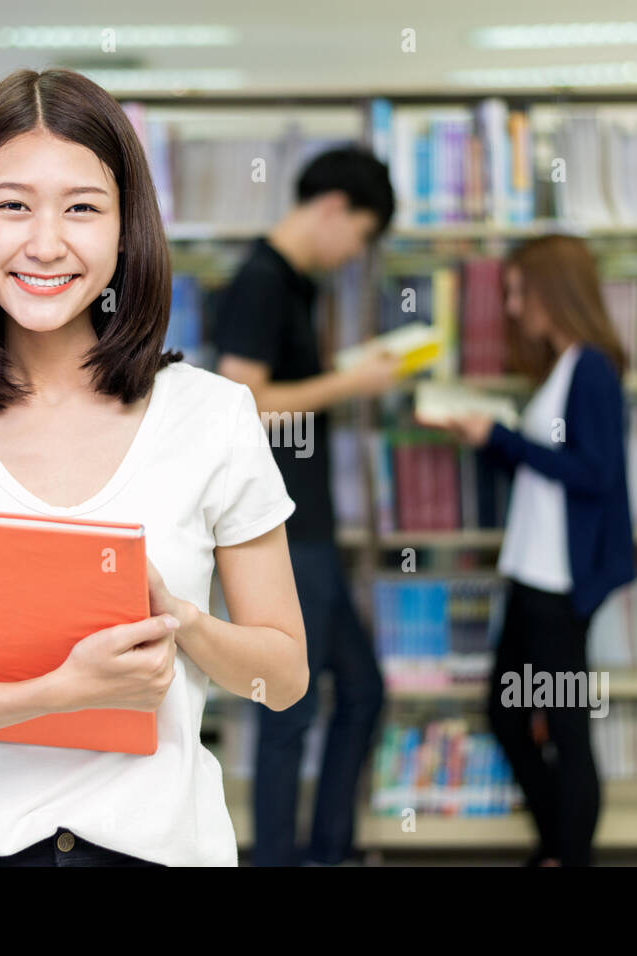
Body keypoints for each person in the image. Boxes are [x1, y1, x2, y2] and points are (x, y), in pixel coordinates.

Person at [0, 68, 307, 868]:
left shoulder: (214, 417)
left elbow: (282, 678)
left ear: (126, 229)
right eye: (13, 205)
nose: (46, 243)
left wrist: (183, 623)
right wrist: (58, 693)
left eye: (82, 208)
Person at [213, 145, 398, 866]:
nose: (354, 253)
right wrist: (352, 385)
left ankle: (327, 851)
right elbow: (245, 400)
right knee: (289, 706)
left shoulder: (294, 283)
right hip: (282, 529)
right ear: (332, 207)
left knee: (361, 692)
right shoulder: (262, 281)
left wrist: (343, 374)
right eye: (360, 234)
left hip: (307, 522)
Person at [432, 234, 636, 867]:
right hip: (532, 574)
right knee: (507, 715)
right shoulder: (563, 367)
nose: (513, 307)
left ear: (555, 291)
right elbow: (543, 471)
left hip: (559, 584)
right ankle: (558, 847)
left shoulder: (592, 370)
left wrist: (504, 437)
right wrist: (490, 441)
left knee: (566, 730)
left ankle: (567, 855)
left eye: (520, 292)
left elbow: (595, 473)